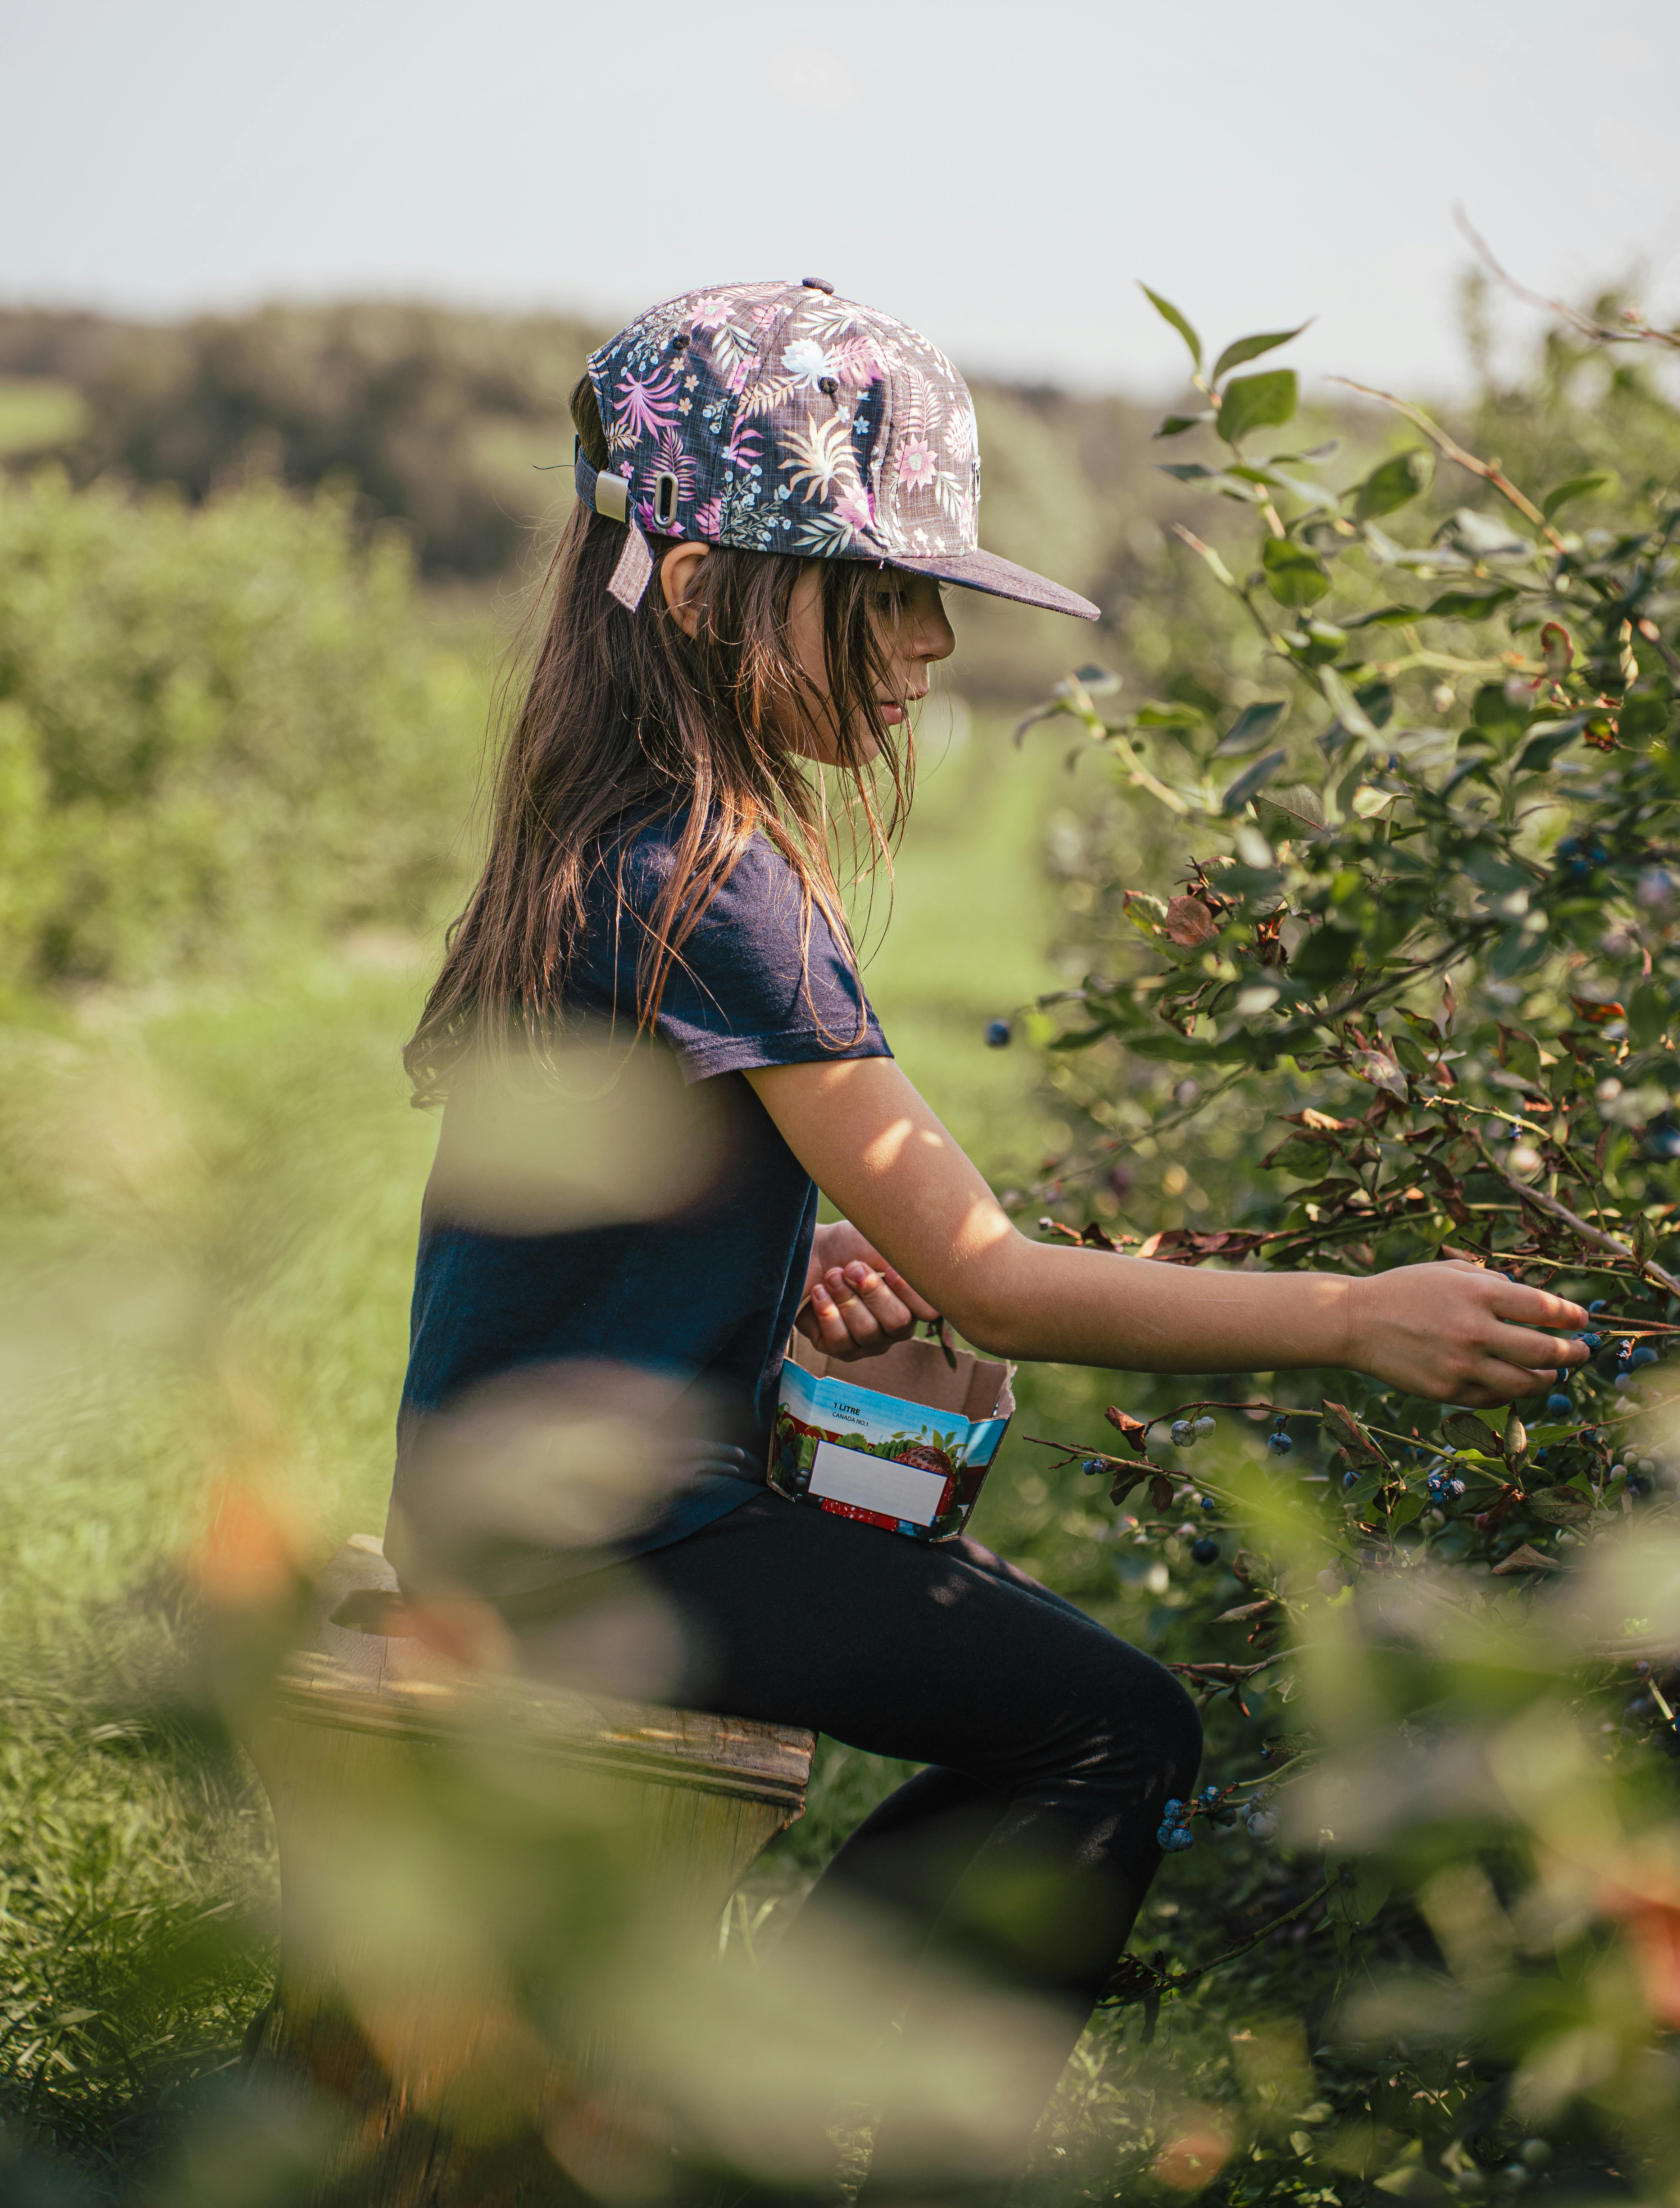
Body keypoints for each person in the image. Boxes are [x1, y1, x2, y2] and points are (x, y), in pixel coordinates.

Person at [389, 278, 1588, 2195]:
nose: (935, 639)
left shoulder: (610, 837)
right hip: (603, 1544)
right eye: (884, 589)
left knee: (1062, 1708)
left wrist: (776, 1286)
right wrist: (1361, 1313)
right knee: (1113, 1730)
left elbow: (598, 1226)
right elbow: (991, 1275)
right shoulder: (722, 885)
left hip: (519, 1500)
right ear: (703, 594)